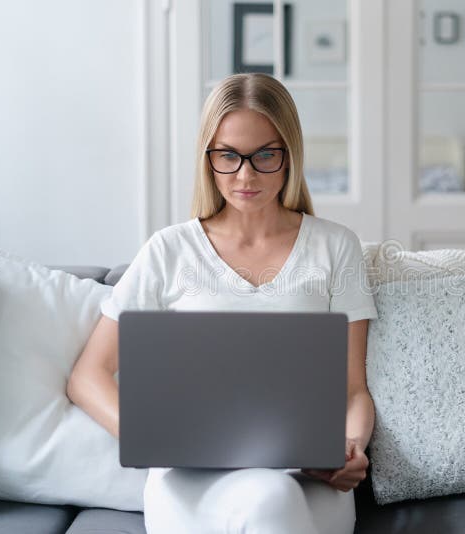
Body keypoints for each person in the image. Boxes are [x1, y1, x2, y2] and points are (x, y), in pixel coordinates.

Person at [66, 72, 379, 534]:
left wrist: (351, 447)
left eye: (264, 155)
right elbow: (86, 377)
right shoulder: (168, 250)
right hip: (193, 480)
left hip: (313, 481)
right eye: (228, 156)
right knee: (269, 499)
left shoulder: (335, 248)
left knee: (276, 498)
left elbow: (353, 390)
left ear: (289, 155)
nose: (245, 175)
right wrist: (154, 440)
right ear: (207, 158)